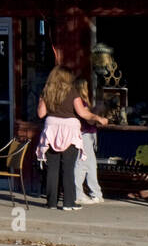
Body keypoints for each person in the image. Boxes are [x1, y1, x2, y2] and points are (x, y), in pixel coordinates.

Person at [36, 66, 109, 210]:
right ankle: (69, 203)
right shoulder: (73, 92)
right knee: (68, 168)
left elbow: (41, 113)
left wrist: (42, 100)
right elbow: (83, 113)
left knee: (52, 168)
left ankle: (51, 203)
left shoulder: (46, 92)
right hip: (70, 130)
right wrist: (98, 118)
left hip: (51, 129)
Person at [72, 78, 104, 204]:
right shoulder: (80, 103)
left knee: (90, 165)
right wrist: (98, 113)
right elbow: (89, 119)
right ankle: (79, 193)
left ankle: (96, 193)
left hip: (89, 134)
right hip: (84, 134)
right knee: (81, 164)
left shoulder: (83, 102)